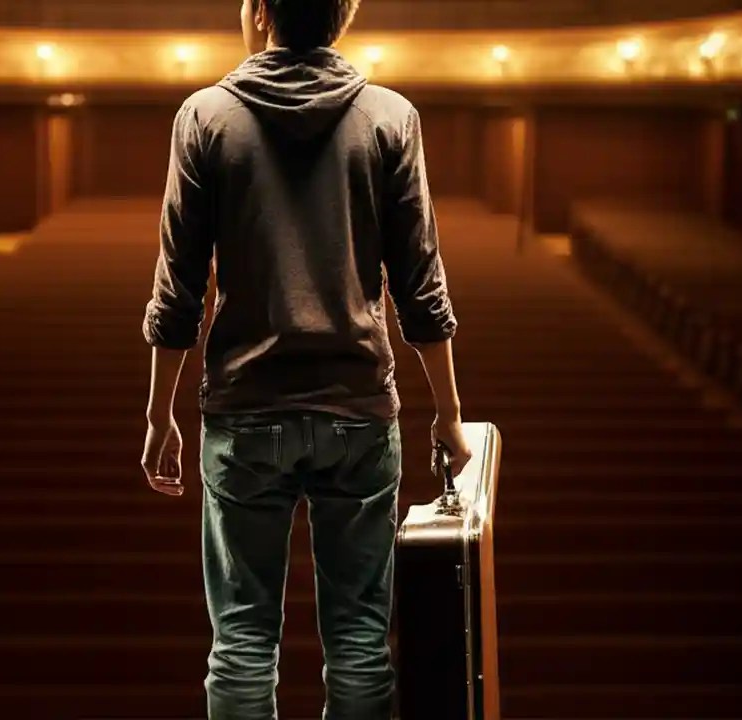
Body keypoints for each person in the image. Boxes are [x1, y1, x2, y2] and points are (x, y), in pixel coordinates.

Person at [140, 0, 470, 717]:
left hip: (244, 410)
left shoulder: (206, 117)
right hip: (356, 408)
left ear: (258, 11)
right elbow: (420, 284)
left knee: (241, 641)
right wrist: (448, 412)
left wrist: (159, 411)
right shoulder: (389, 116)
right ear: (344, 15)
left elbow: (180, 285)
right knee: (358, 638)